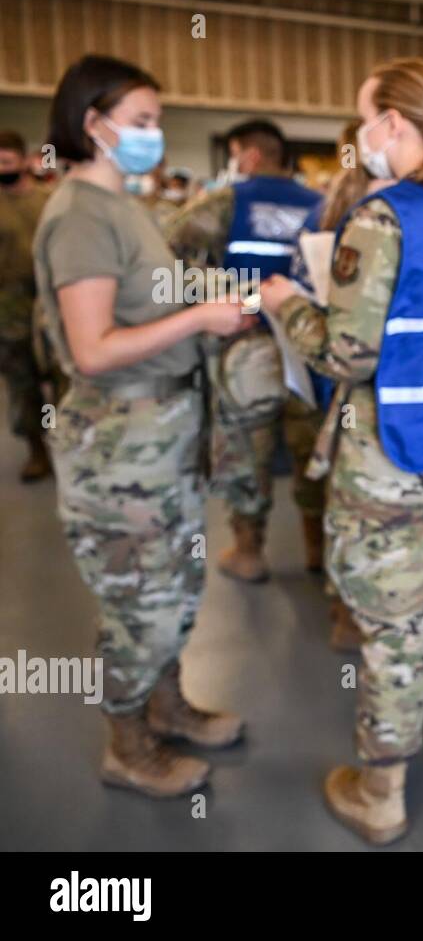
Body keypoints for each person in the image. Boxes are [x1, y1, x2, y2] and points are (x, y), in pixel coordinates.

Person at [259, 56, 423, 845]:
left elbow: (346, 355)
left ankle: (381, 794)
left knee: (395, 628)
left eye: (364, 118)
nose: (361, 136)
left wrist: (287, 307)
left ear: (394, 126)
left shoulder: (382, 219)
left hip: (393, 459)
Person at [32, 55, 252, 797]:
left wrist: (210, 307)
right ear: (93, 125)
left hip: (163, 441)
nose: (155, 136)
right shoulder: (79, 217)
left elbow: (145, 307)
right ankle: (127, 745)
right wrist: (198, 316)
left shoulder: (127, 208)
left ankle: (166, 705)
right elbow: (91, 350)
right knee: (139, 609)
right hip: (119, 450)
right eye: (143, 123)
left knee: (174, 593)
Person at [165, 118, 323, 584]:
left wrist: (221, 293)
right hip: (306, 346)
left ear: (249, 156)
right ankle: (317, 549)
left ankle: (249, 552)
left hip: (243, 348)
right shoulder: (324, 204)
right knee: (310, 449)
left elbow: (164, 256)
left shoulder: (224, 202)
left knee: (246, 450)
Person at [284, 118, 393, 654]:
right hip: (385, 387)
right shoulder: (412, 210)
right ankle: (358, 610)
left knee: (338, 496)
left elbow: (301, 294)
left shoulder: (325, 212)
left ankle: (344, 607)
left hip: (332, 373)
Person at [0, 129, 53, 481]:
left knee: (63, 374)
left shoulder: (48, 200)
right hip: (9, 303)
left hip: (50, 297)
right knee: (21, 380)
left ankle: (66, 438)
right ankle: (36, 448)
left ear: (22, 159)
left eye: (5, 161)